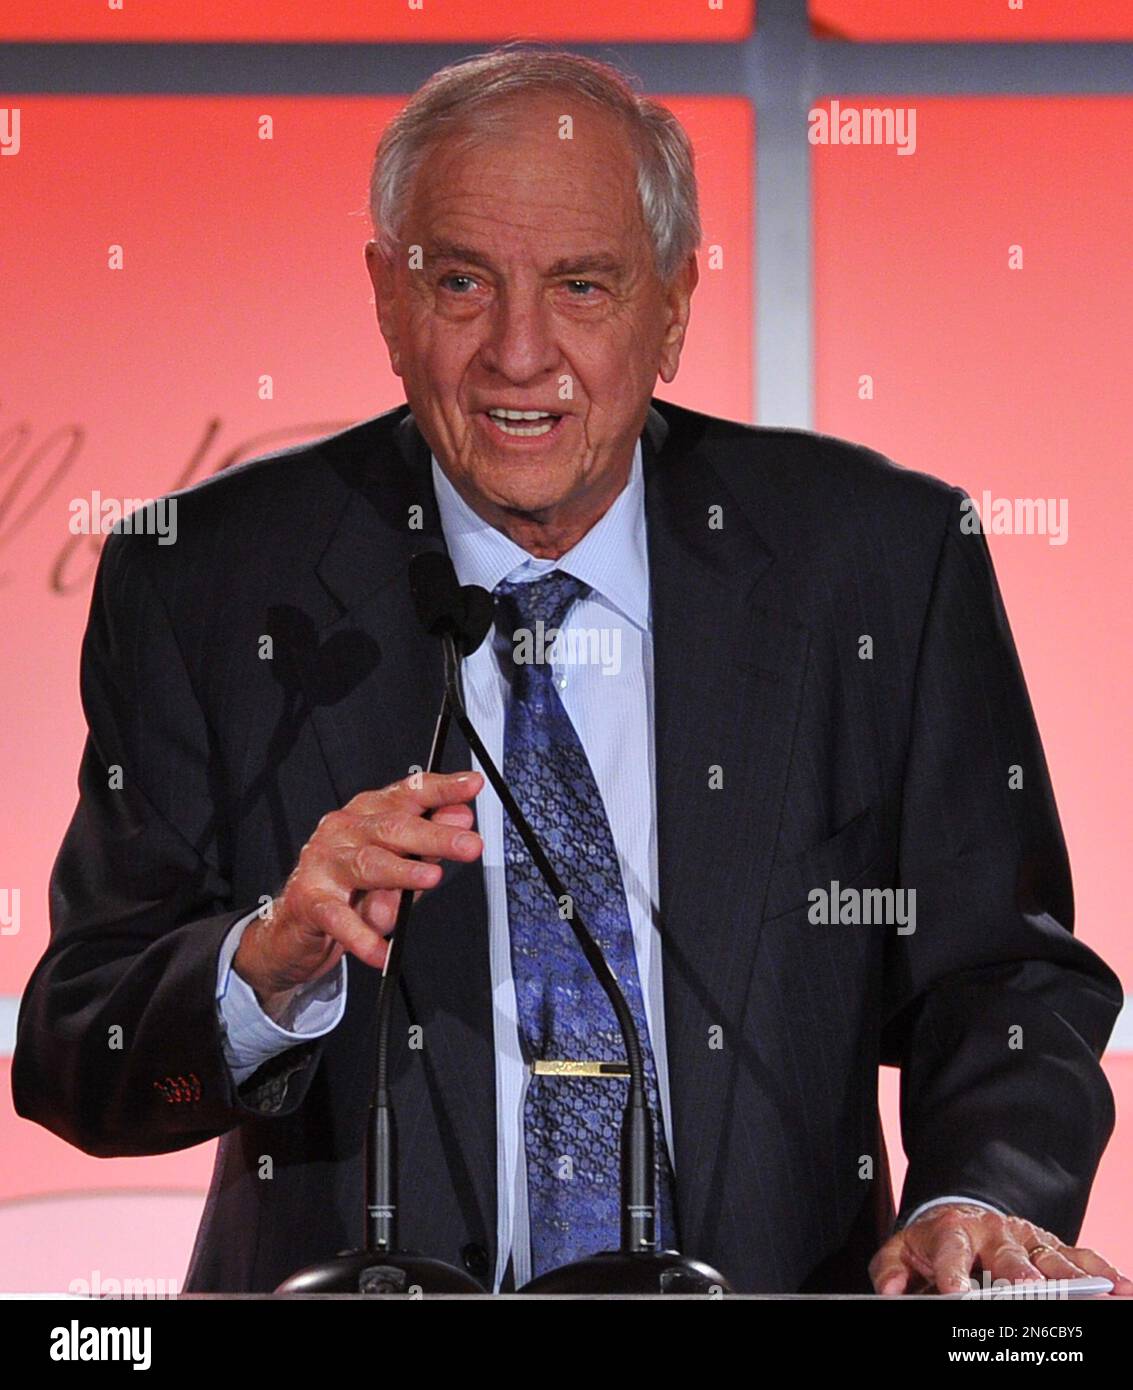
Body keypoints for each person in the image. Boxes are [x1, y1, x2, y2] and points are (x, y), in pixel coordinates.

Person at [14, 47, 1128, 1296]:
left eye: (582, 286)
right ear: (386, 296)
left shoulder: (873, 561)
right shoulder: (209, 583)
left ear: (673, 305)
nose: (518, 350)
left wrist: (969, 1196)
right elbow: (80, 1053)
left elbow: (1004, 976)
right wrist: (263, 965)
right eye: (460, 283)